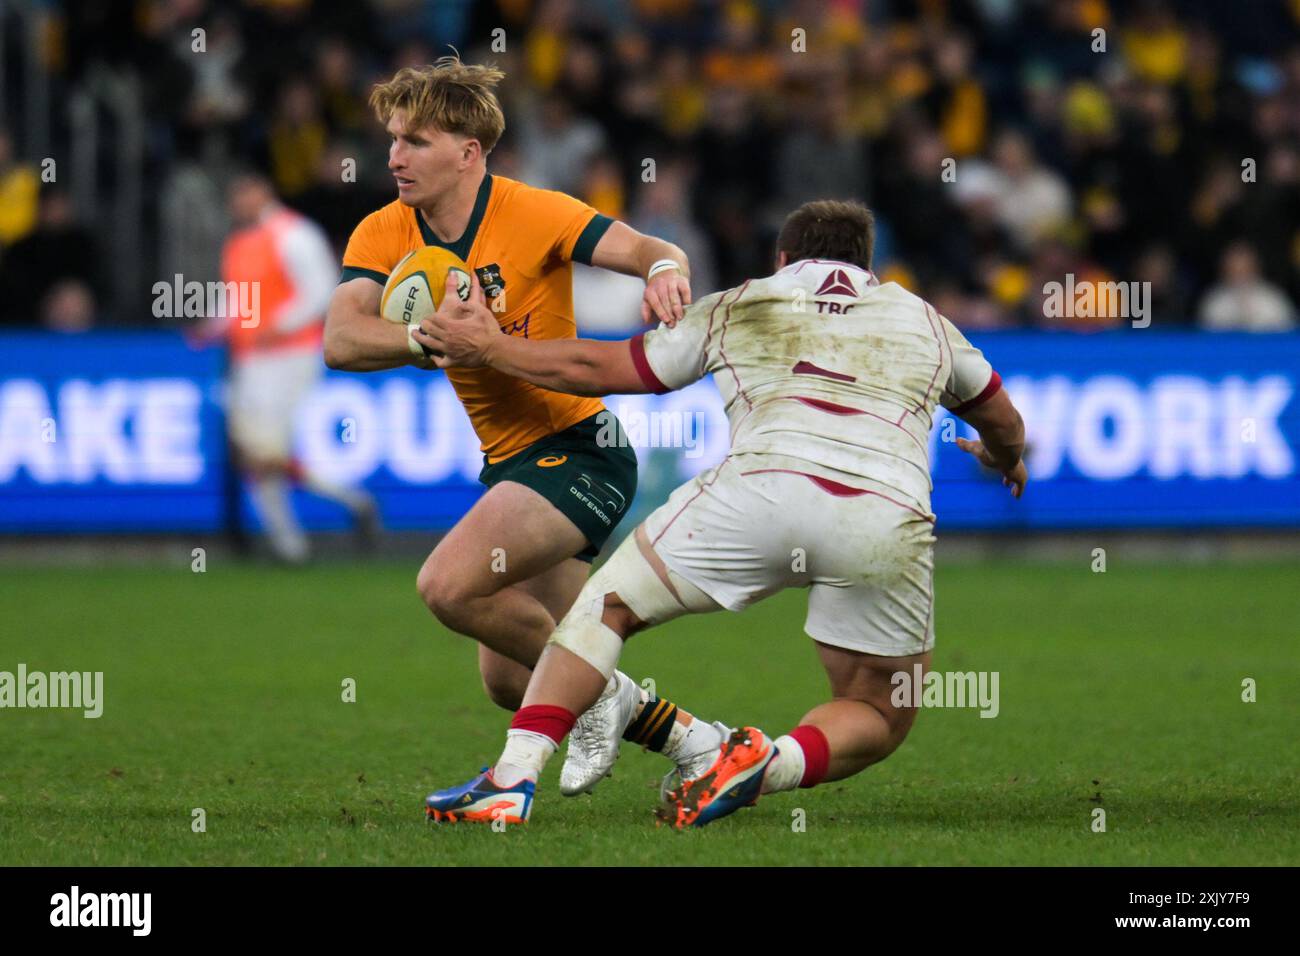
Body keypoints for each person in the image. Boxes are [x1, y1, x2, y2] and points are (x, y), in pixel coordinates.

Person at [419, 199, 1028, 827]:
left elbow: (594, 367)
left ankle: (511, 779)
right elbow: (1004, 419)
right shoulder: (925, 321)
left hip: (758, 494)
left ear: (783, 259)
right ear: (868, 265)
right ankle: (766, 761)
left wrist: (490, 348)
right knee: (876, 708)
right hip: (883, 517)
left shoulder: (745, 302)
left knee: (606, 610)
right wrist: (1003, 458)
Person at [322, 56, 717, 800]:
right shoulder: (383, 231)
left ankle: (601, 710)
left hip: (582, 450)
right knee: (516, 681)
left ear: (469, 153)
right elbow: (340, 340)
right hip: (510, 463)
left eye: (415, 141)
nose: (395, 157)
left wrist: (667, 269)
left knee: (446, 585)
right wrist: (427, 340)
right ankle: (697, 743)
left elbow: (646, 249)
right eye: (393, 141)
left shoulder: (533, 212)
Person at [199, 172, 379, 563]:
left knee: (261, 452)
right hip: (251, 360)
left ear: (263, 190)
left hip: (288, 357)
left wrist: (277, 325)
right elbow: (238, 300)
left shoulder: (295, 234)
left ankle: (301, 537)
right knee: (256, 455)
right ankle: (307, 534)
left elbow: (320, 291)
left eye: (243, 191)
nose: (237, 202)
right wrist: (214, 325)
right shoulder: (239, 243)